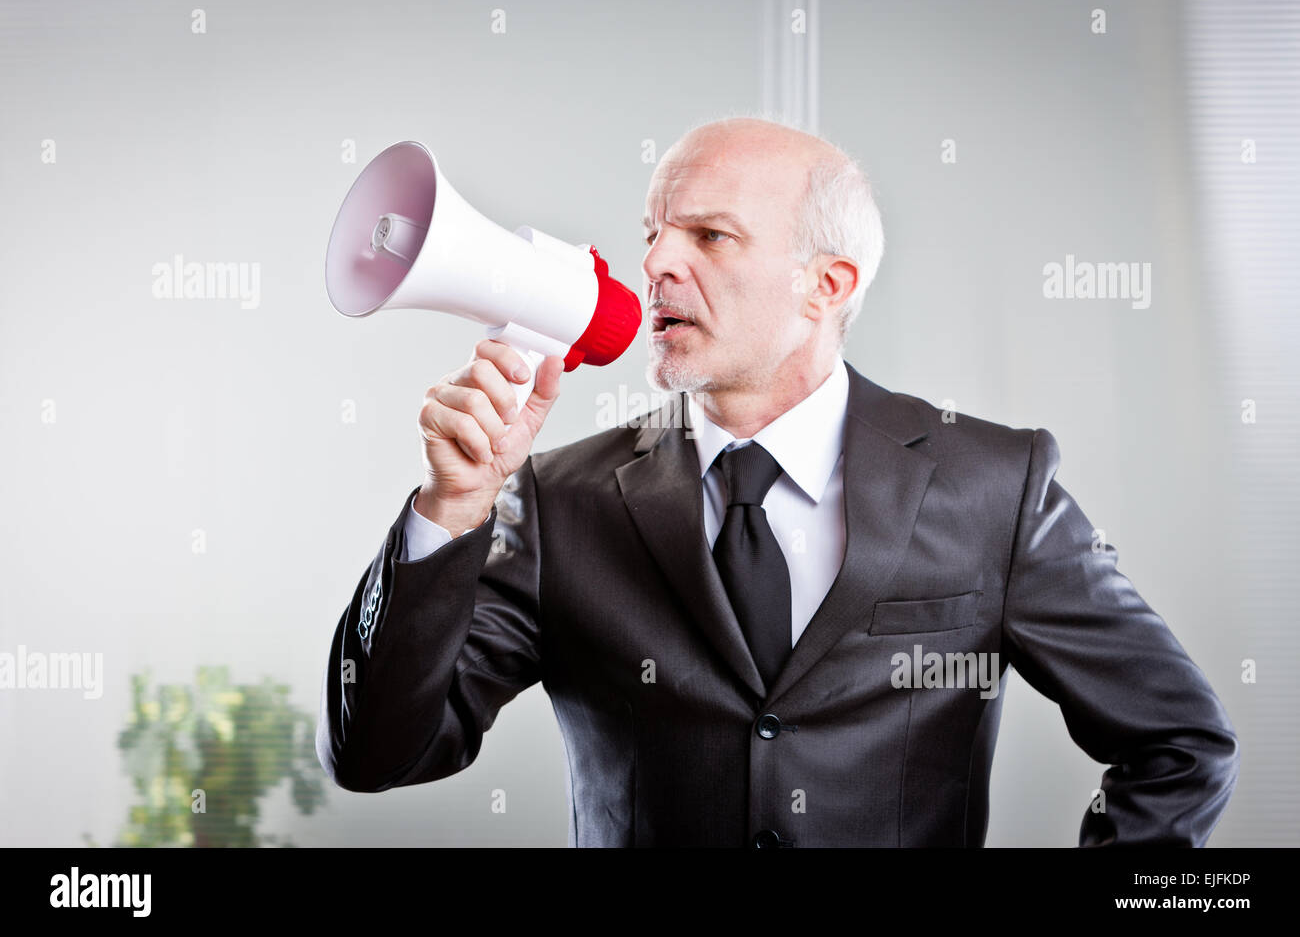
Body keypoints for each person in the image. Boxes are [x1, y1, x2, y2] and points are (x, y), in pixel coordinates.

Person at [316, 116, 1239, 847]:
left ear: (826, 285)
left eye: (710, 235)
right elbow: (377, 754)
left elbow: (1179, 742)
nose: (656, 265)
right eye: (654, 234)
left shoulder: (991, 483)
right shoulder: (563, 501)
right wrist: (451, 510)